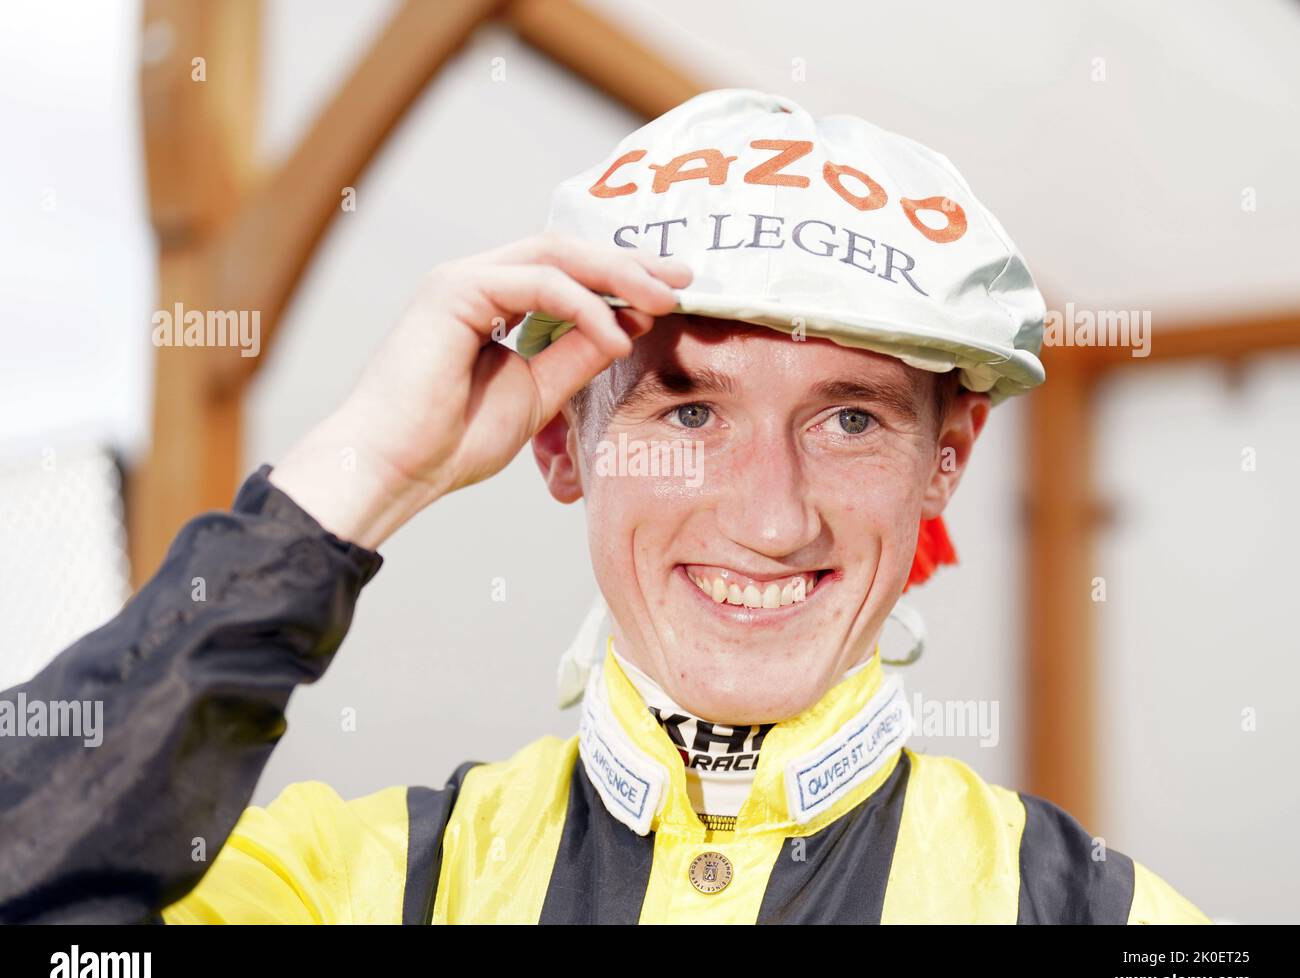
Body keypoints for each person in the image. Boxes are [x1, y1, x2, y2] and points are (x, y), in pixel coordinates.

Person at [0, 90, 1209, 924]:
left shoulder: (1101, 916)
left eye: (849, 419)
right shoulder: (358, 887)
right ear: (558, 442)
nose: (773, 517)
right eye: (688, 411)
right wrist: (358, 476)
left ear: (945, 460)